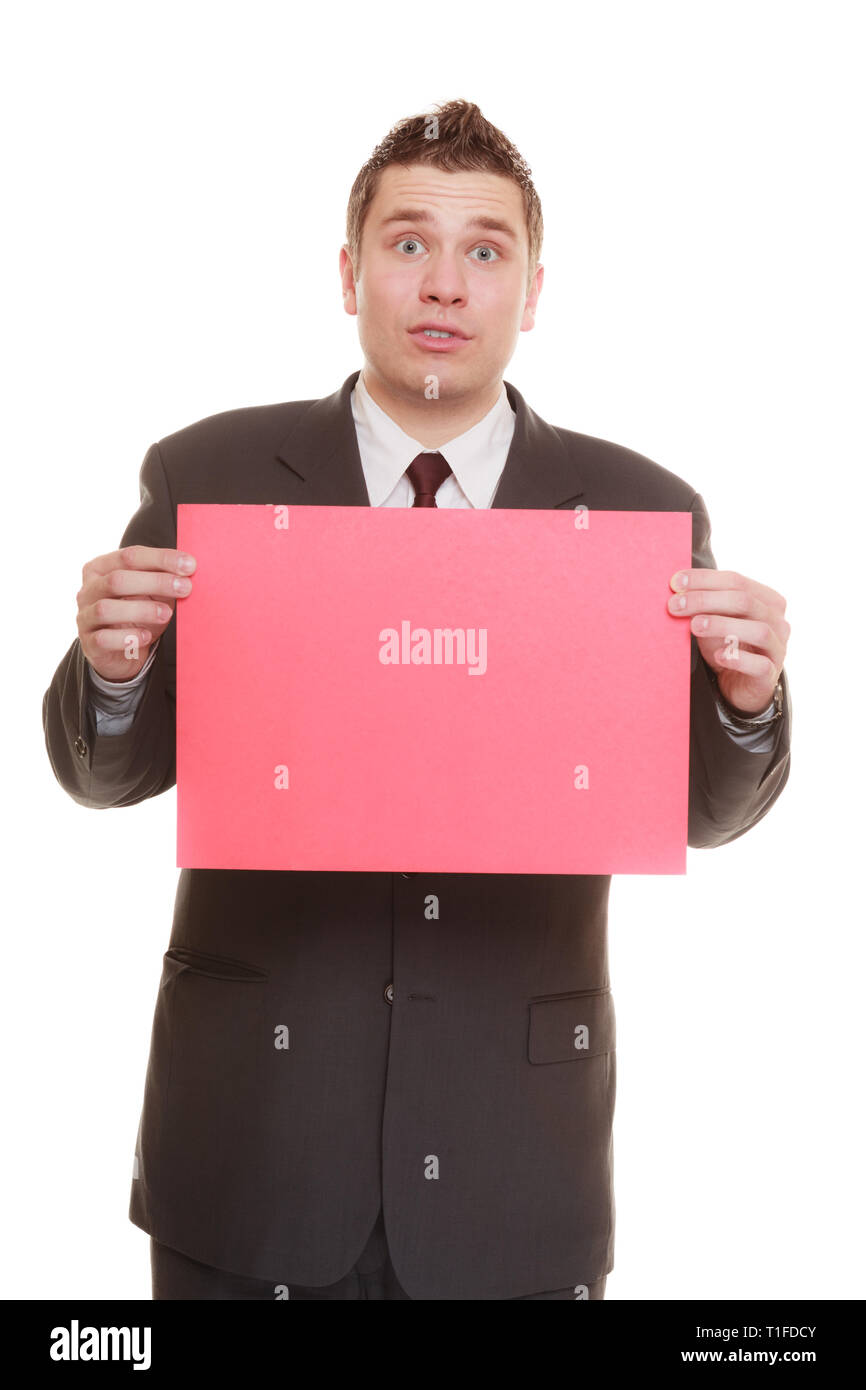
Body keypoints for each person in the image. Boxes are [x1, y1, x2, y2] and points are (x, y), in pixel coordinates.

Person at [42, 99, 792, 1301]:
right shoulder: (209, 476)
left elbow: (696, 813)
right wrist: (116, 670)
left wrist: (745, 703)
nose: (443, 282)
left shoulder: (637, 508)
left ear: (532, 290)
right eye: (407, 244)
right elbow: (103, 773)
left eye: (483, 250)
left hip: (515, 1161)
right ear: (349, 273)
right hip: (253, 1144)